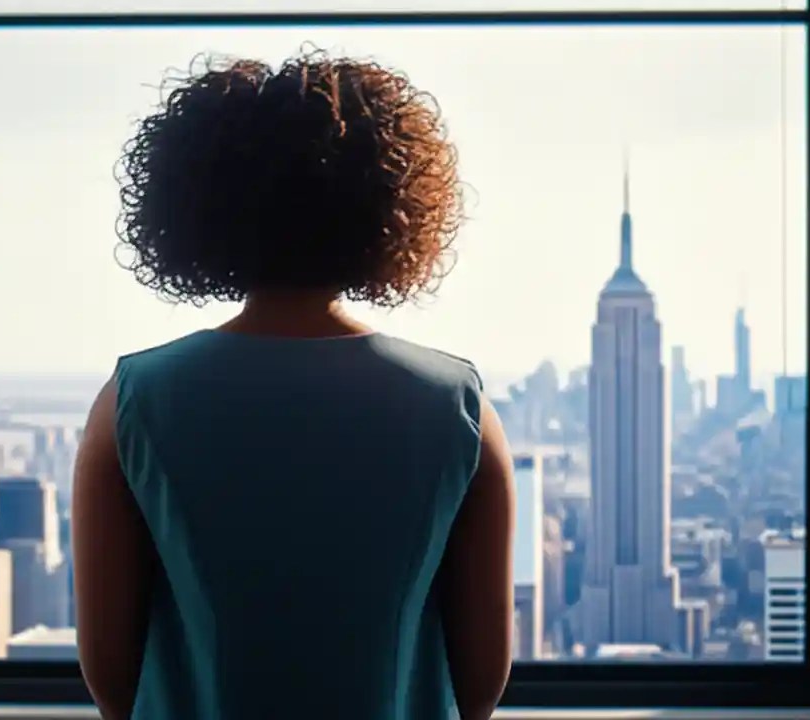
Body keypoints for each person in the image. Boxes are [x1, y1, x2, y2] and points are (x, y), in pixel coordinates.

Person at [72, 51, 514, 720]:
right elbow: (480, 684)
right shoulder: (457, 405)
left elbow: (111, 679)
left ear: (193, 205)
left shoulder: (134, 400)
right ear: (389, 209)